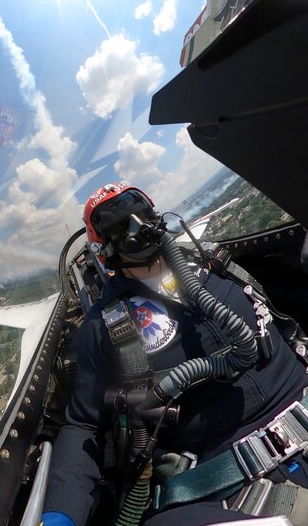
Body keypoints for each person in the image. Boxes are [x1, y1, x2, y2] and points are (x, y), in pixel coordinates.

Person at [42, 182, 308, 526]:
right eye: (121, 227)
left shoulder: (216, 262)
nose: (139, 228)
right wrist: (61, 512)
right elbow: (82, 424)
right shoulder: (104, 324)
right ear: (104, 248)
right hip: (232, 480)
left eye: (143, 215)